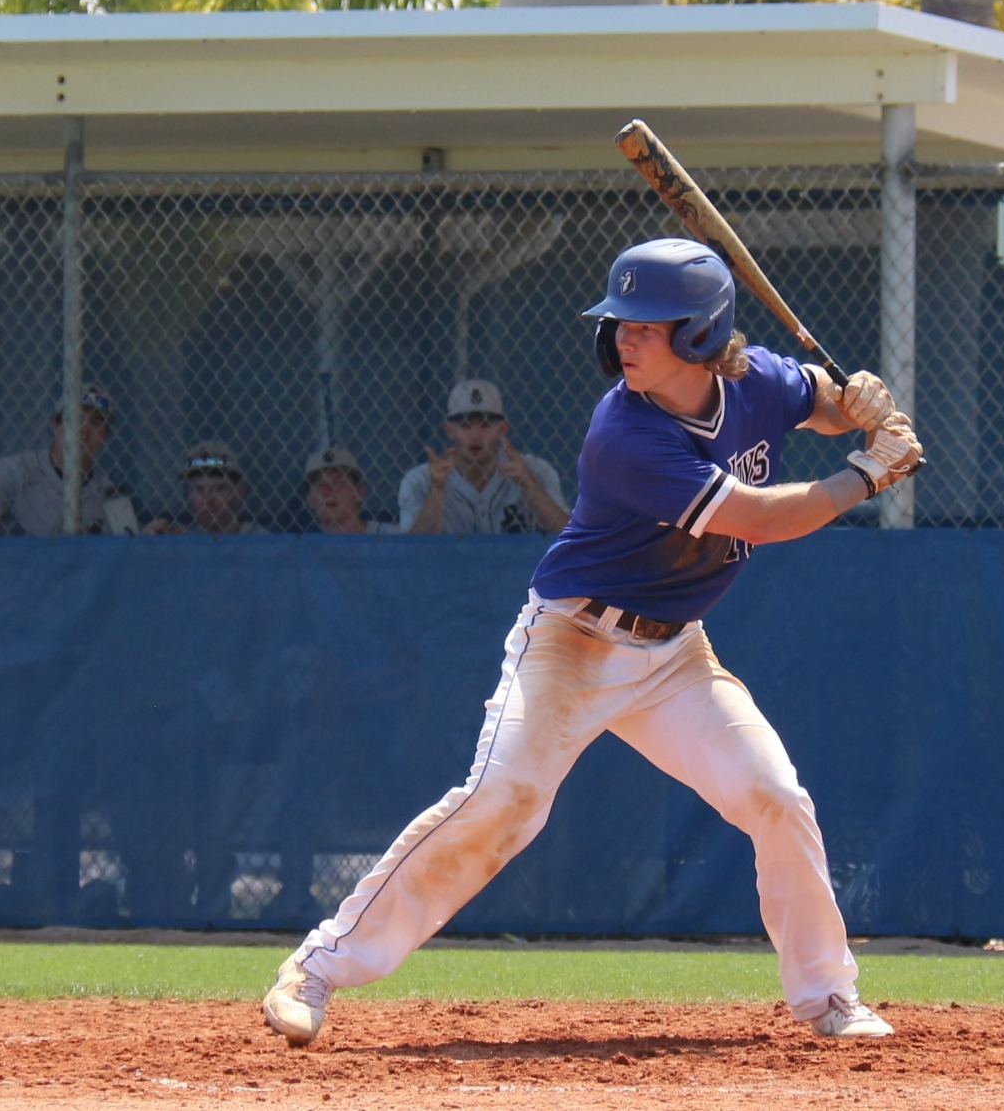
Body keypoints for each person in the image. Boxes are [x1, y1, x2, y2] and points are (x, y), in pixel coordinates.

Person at [261, 237, 922, 1046]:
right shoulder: (625, 434)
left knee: (776, 797)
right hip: (572, 640)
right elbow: (759, 517)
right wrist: (865, 474)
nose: (623, 339)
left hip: (676, 655)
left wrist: (850, 405)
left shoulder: (754, 380)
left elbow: (813, 396)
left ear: (703, 336)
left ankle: (827, 997)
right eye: (619, 323)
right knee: (504, 800)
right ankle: (316, 967)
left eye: (647, 325)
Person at [0, 383, 132, 537]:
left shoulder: (112, 496)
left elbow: (133, 553)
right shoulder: (14, 472)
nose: (84, 430)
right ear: (56, 424)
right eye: (76, 418)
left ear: (105, 435)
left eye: (97, 422)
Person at [397, 379, 570, 534]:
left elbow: (570, 537)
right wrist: (437, 490)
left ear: (502, 429)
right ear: (449, 430)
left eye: (485, 425)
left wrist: (528, 483)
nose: (475, 435)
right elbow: (412, 553)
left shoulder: (534, 470)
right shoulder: (419, 480)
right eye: (465, 425)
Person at [145, 442, 266, 536]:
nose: (207, 500)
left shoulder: (263, 543)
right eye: (199, 489)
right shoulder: (182, 540)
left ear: (239, 491)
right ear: (190, 493)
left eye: (219, 488)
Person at [304, 448, 401, 535]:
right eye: (320, 485)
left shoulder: (391, 537)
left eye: (339, 483)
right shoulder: (302, 549)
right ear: (309, 499)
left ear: (358, 492)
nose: (327, 491)